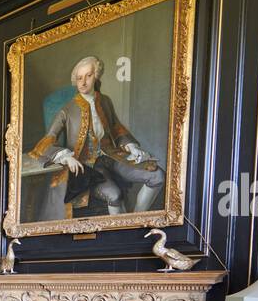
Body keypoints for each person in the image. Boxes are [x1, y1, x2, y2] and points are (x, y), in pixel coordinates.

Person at [26, 55, 164, 218]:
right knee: (114, 195)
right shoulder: (67, 110)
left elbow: (116, 128)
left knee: (157, 176)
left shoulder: (104, 101)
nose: (83, 82)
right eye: (79, 78)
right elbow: (47, 140)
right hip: (89, 165)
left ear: (96, 76)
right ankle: (122, 229)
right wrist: (65, 157)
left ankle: (137, 218)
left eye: (88, 76)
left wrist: (131, 146)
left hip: (113, 157)